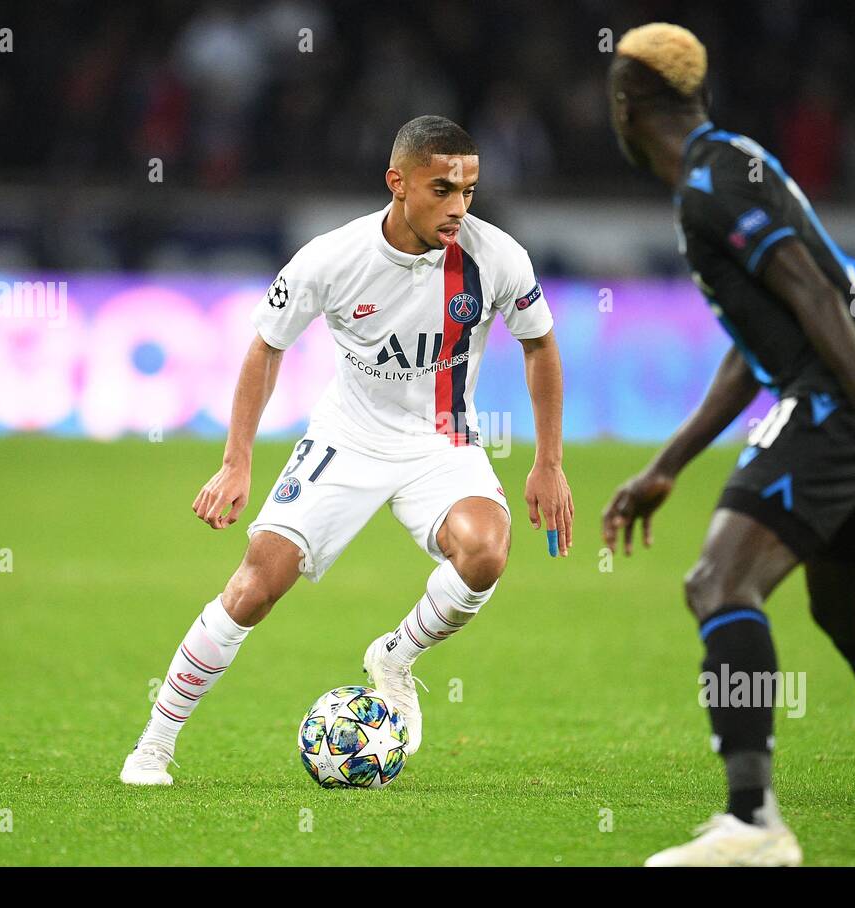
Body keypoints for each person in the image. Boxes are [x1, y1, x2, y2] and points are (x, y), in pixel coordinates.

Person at [601, 23, 855, 865]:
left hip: (844, 393)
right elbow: (758, 344)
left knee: (719, 582)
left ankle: (751, 823)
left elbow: (815, 295)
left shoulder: (713, 181)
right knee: (847, 609)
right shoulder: (726, 167)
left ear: (626, 106)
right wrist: (665, 466)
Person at [121, 115, 573, 785]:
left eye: (469, 191)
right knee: (255, 586)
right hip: (347, 438)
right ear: (397, 182)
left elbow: (539, 346)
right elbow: (266, 348)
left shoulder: (496, 257)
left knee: (485, 552)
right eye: (441, 189)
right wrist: (237, 459)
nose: (457, 208)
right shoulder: (332, 258)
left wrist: (549, 462)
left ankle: (395, 656)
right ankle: (153, 746)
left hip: (442, 443)